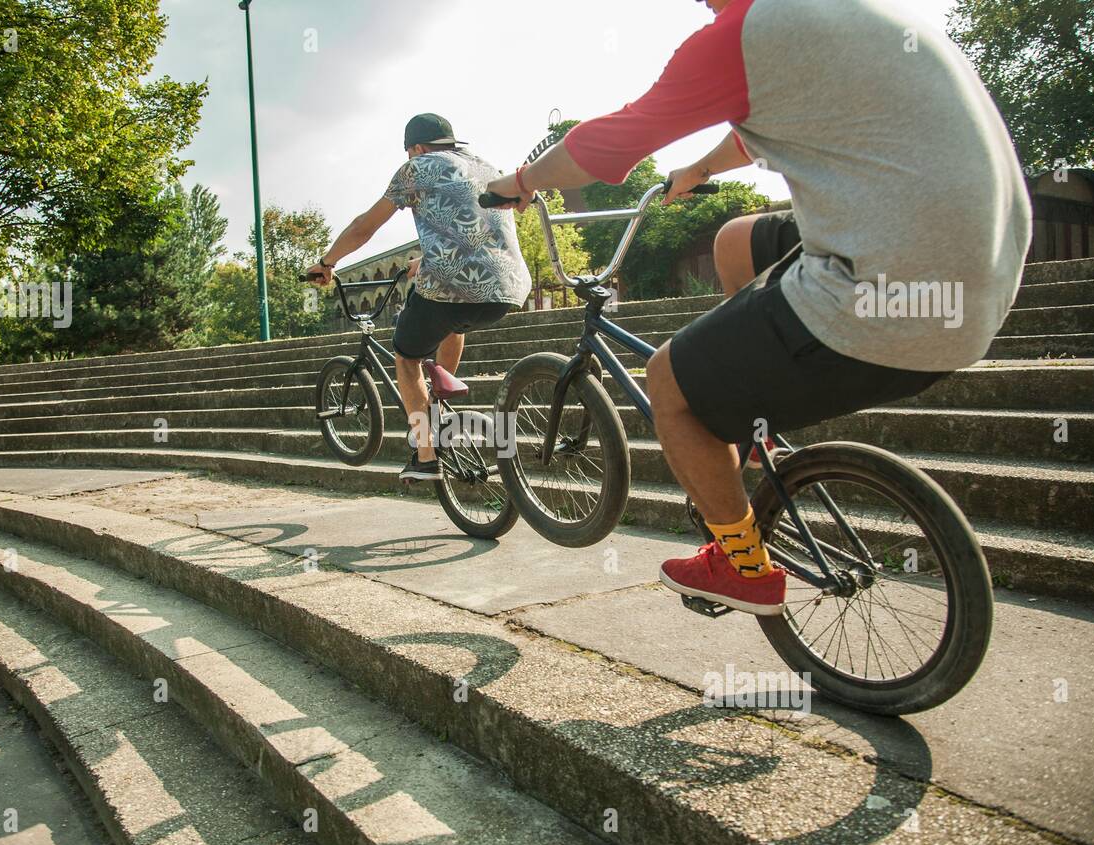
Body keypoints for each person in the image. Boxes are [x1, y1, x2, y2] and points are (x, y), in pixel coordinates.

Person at [486, 0, 1030, 615]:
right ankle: (749, 420)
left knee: (667, 380)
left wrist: (522, 182)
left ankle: (742, 566)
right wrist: (695, 170)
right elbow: (754, 132)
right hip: (977, 280)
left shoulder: (740, 33)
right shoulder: (841, 17)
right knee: (734, 241)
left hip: (887, 288)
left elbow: (613, 144)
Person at [308, 113, 532, 482]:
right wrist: (427, 258)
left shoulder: (416, 169)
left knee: (407, 356)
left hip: (450, 286)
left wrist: (327, 262)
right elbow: (476, 229)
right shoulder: (486, 165)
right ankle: (438, 405)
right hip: (507, 290)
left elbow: (365, 226)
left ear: (416, 148)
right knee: (450, 322)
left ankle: (426, 455)